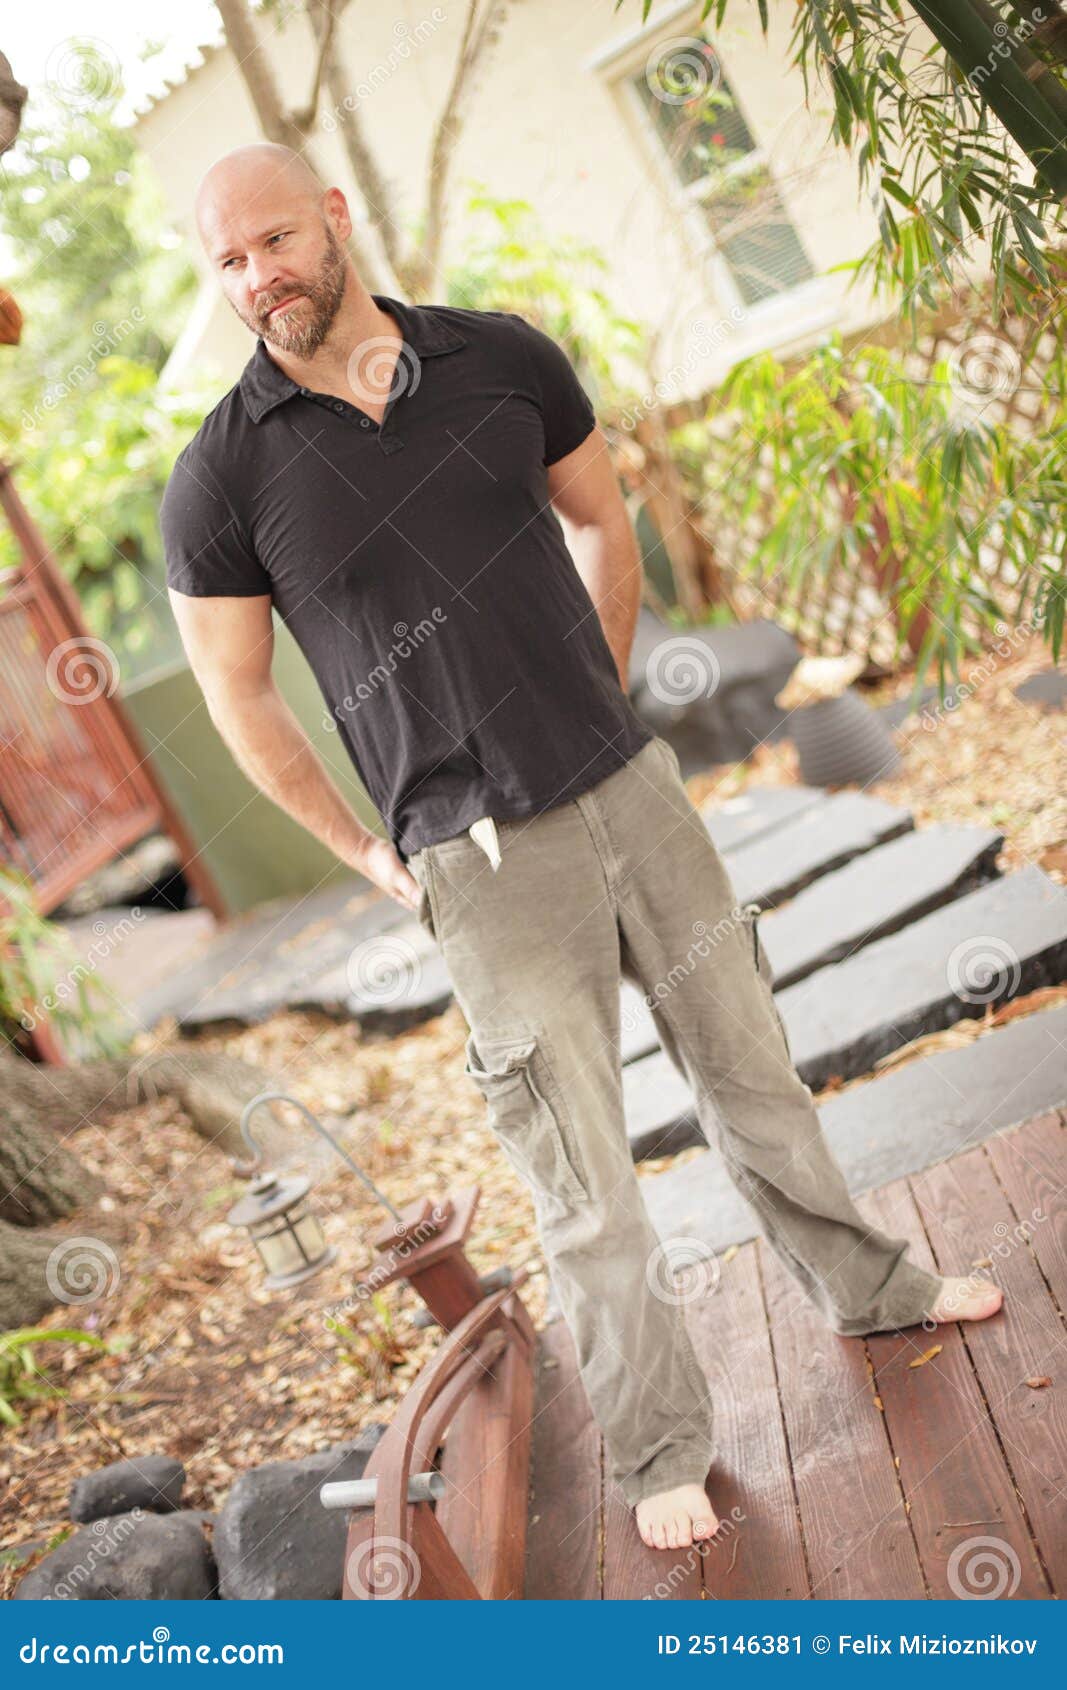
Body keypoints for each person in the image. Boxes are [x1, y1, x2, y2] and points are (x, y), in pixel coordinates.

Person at [162, 143, 1003, 1555]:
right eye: (229, 263)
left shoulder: (500, 359)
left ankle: (876, 1288)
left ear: (335, 219)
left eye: (274, 242)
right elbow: (236, 694)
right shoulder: (224, 479)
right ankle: (667, 1445)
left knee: (756, 1078)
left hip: (631, 795)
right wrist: (369, 853)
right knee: (584, 1185)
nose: (259, 278)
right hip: (475, 864)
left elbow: (604, 519)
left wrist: (606, 701)